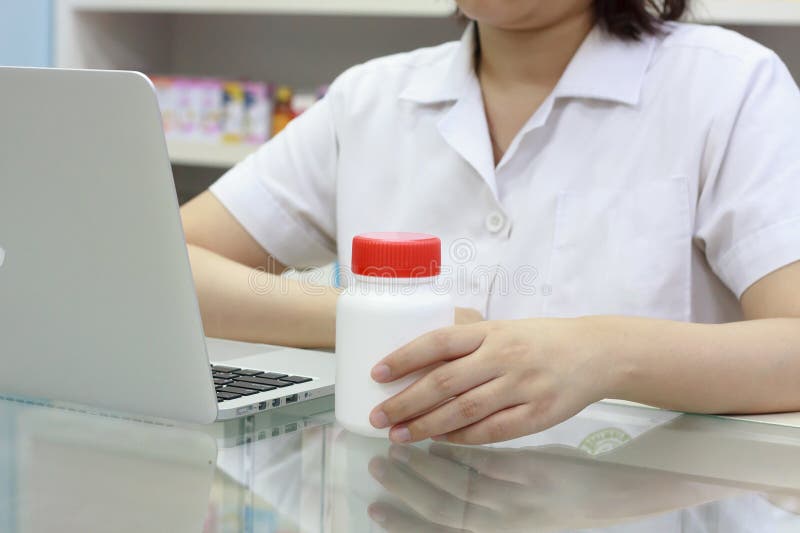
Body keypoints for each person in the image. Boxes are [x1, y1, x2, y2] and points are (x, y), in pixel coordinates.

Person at [180, 0, 800, 445]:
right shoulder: (370, 98)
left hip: (645, 501)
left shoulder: (728, 84)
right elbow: (162, 262)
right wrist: (371, 318)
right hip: (394, 493)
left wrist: (605, 353)